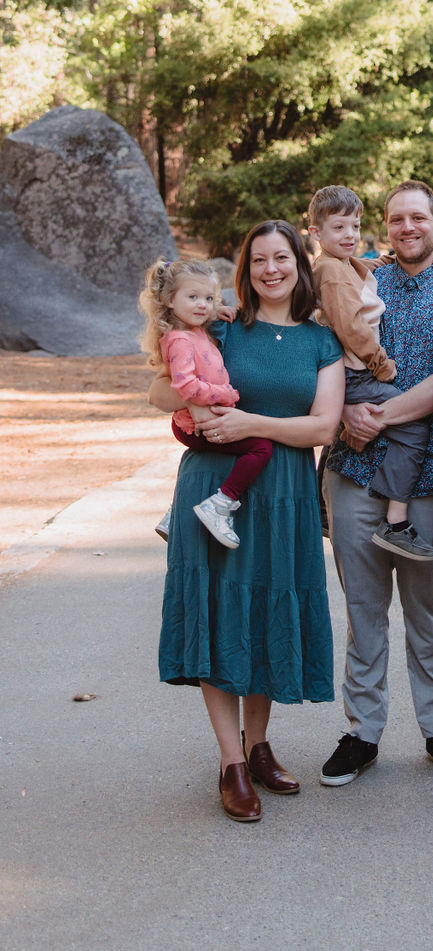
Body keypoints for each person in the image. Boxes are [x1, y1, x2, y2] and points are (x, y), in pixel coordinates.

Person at [151, 221, 345, 823]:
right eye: (258, 259)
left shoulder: (322, 341)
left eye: (281, 257)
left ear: (298, 265)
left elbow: (322, 429)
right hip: (215, 485)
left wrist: (251, 425)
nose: (270, 269)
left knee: (266, 611)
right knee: (219, 610)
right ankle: (232, 763)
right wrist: (198, 410)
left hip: (284, 492)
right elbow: (160, 392)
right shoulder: (223, 330)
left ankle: (260, 747)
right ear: (246, 269)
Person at [319, 180, 433, 788]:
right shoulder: (355, 281)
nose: (407, 227)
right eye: (396, 218)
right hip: (354, 471)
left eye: (419, 217)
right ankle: (361, 732)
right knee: (364, 612)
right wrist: (341, 415)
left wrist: (379, 414)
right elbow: (319, 358)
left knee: (425, 607)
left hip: (430, 476)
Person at [308, 183, 433, 562]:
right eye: (339, 228)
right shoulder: (330, 271)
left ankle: (321, 511)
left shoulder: (342, 265)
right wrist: (382, 364)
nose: (349, 235)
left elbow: (357, 278)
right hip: (357, 372)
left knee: (339, 435)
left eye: (355, 227)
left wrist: (378, 262)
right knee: (414, 428)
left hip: (347, 372)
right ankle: (395, 522)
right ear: (316, 233)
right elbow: (350, 325)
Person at [140, 257, 271, 550]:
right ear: (170, 300)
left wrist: (217, 311)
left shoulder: (196, 331)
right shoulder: (179, 341)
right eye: (193, 297)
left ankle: (176, 514)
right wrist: (224, 395)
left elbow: (206, 323)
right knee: (261, 447)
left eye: (209, 298)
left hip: (198, 419)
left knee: (227, 458)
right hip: (193, 425)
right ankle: (221, 504)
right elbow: (184, 385)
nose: (202, 304)